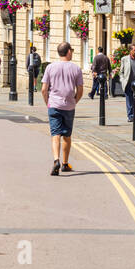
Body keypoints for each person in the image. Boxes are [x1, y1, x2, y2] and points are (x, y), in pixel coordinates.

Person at [42, 42, 84, 175]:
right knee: (66, 135)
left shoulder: (50, 67)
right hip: (69, 106)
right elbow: (80, 89)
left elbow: (44, 89)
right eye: (71, 50)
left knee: (55, 134)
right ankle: (65, 164)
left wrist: (48, 102)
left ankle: (56, 160)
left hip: (54, 105)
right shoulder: (76, 68)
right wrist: (74, 101)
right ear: (68, 52)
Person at [119, 45, 135, 122]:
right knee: (129, 101)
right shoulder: (124, 59)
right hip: (128, 84)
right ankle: (130, 116)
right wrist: (122, 80)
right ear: (131, 51)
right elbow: (121, 72)